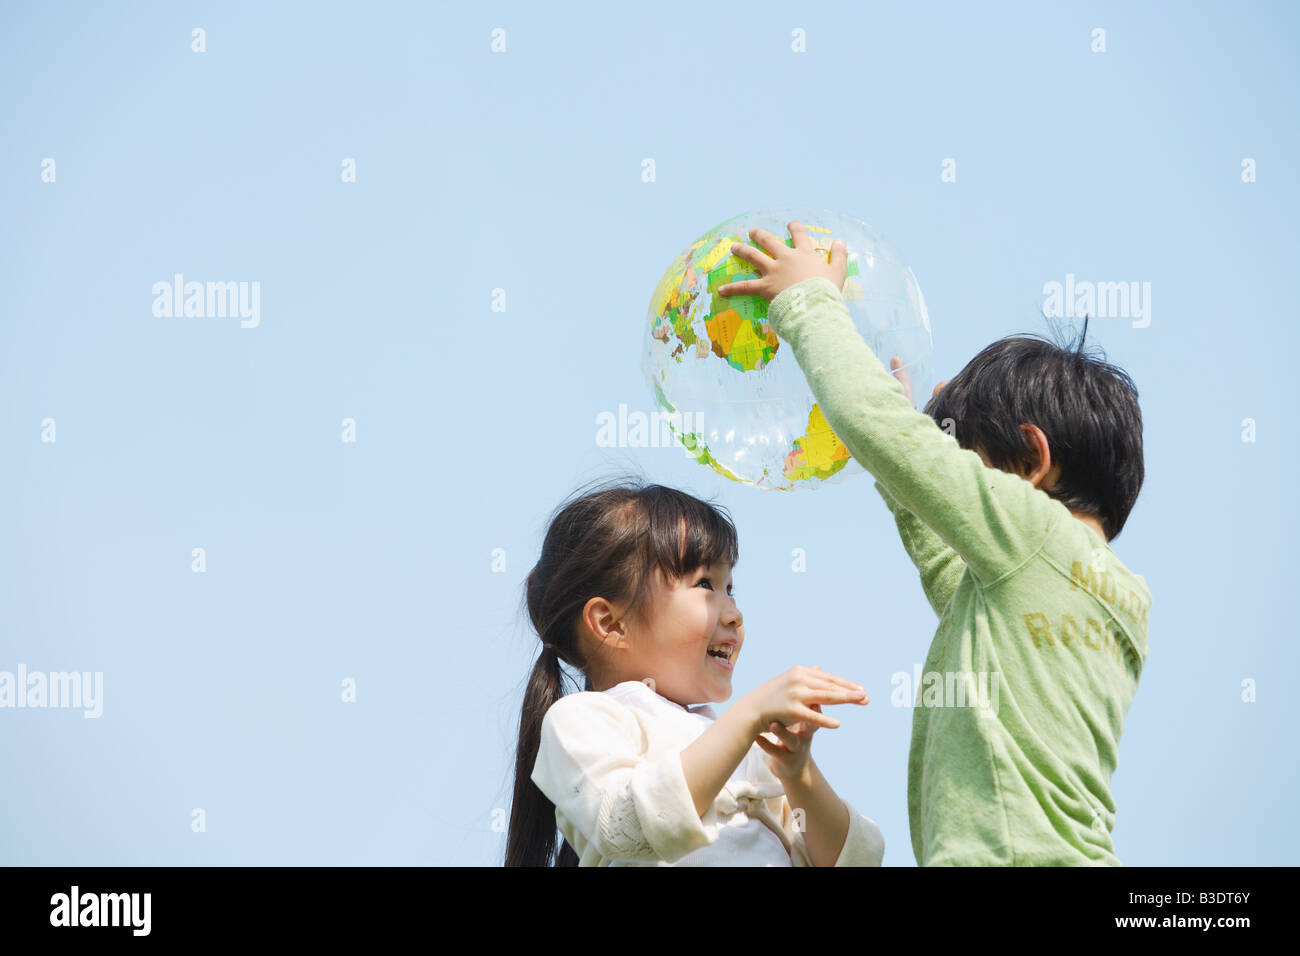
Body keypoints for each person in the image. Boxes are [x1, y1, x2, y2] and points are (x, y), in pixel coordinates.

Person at [718, 223, 1150, 865]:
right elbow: (952, 573)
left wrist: (808, 300)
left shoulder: (1032, 532)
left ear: (1032, 460)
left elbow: (882, 433)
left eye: (966, 462)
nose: (953, 479)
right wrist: (906, 475)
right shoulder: (1108, 590)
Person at [504, 479, 886, 866]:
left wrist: (797, 769)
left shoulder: (749, 751)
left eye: (731, 588)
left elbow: (852, 860)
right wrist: (749, 714)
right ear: (611, 624)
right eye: (705, 584)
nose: (734, 614)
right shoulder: (582, 721)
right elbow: (628, 828)